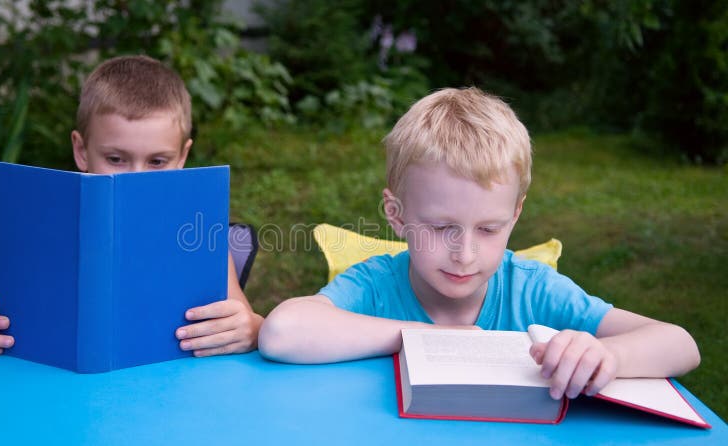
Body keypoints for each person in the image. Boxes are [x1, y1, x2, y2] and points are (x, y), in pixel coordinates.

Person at [258, 87, 700, 401]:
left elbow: (681, 344)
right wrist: (427, 337)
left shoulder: (532, 289)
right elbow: (281, 333)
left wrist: (607, 355)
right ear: (397, 216)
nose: (465, 254)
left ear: (516, 214)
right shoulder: (375, 286)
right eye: (439, 227)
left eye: (489, 229)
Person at [0, 55, 263, 359]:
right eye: (116, 159)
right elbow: (1, 331)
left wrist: (252, 329)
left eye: (157, 161)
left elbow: (244, 325)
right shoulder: (35, 231)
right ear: (81, 150)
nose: (136, 178)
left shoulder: (199, 238)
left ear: (182, 158)